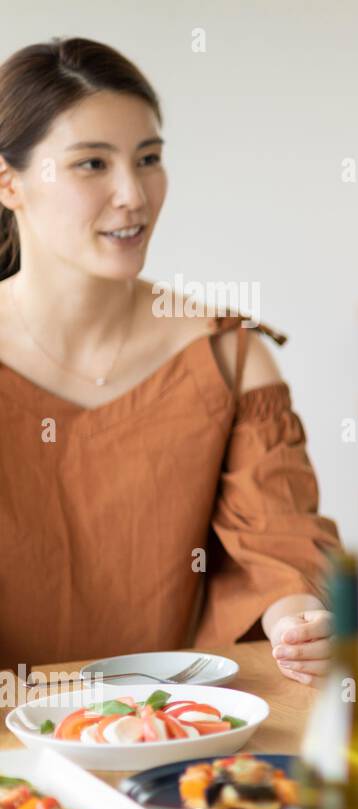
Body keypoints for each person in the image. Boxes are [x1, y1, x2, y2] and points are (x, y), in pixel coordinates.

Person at [0, 38, 340, 681]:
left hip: (185, 723)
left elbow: (280, 547)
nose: (134, 194)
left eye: (148, 158)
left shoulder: (228, 357)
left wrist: (298, 623)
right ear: (9, 182)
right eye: (92, 164)